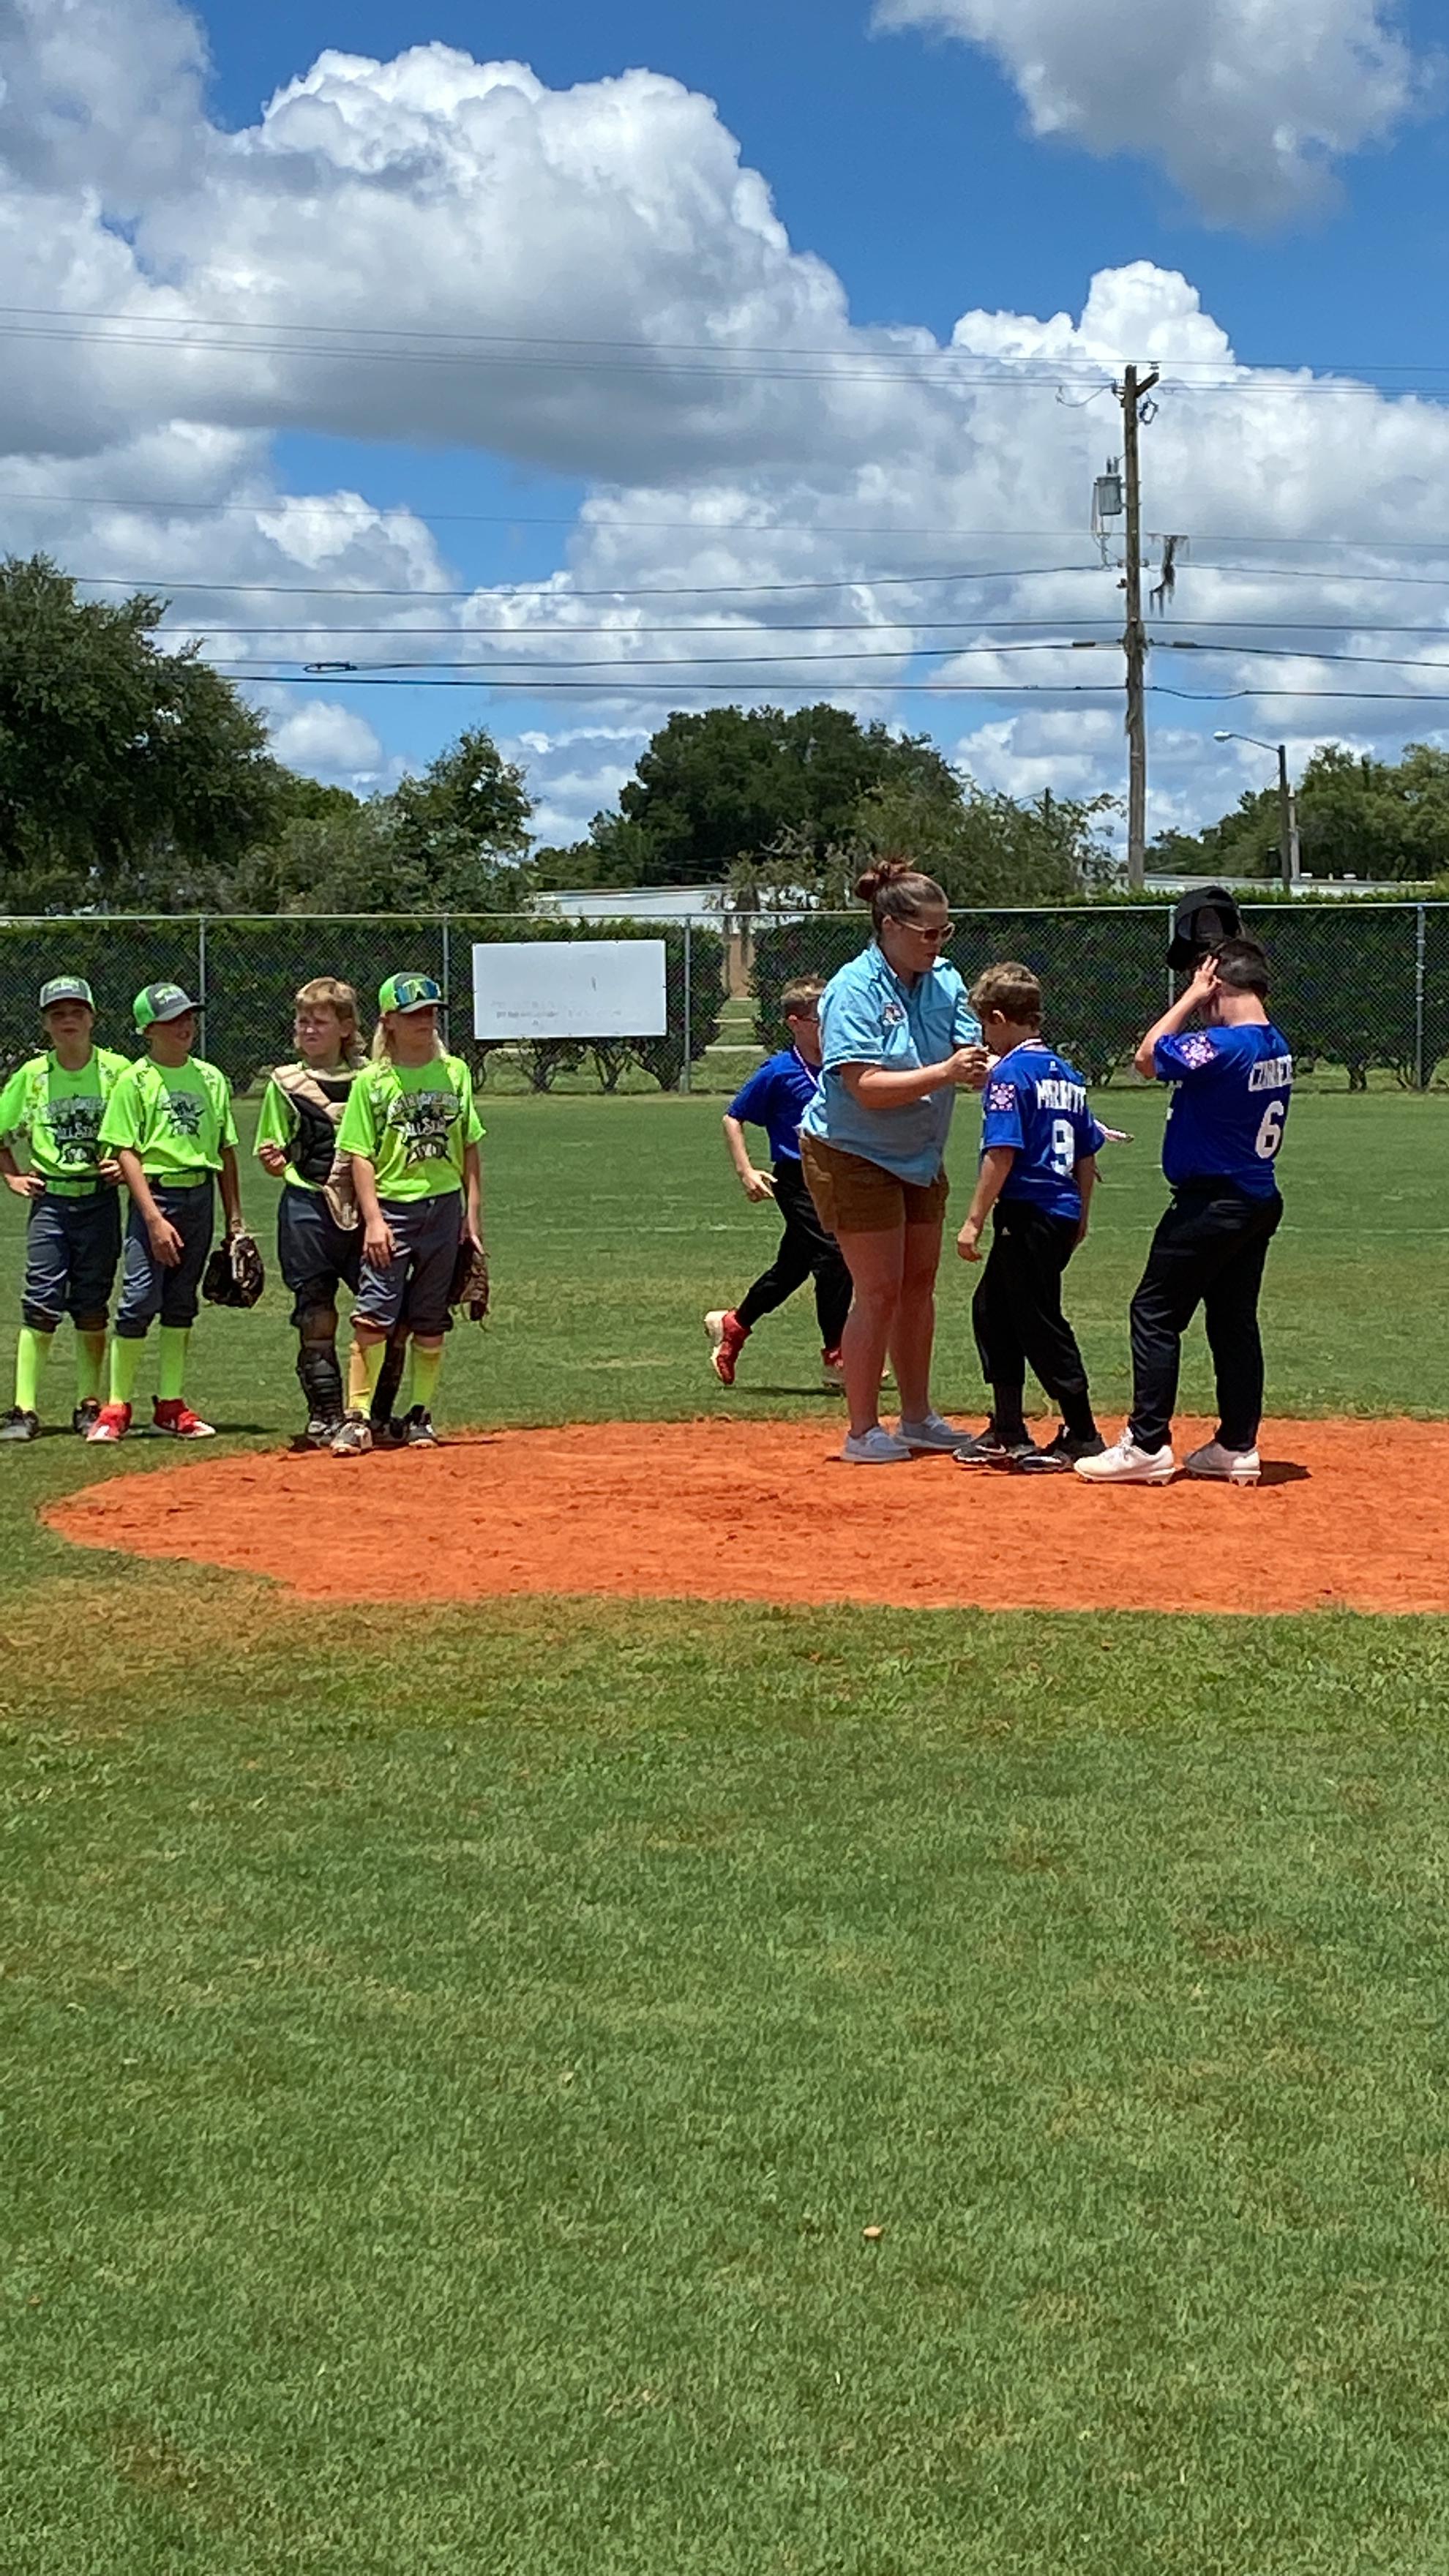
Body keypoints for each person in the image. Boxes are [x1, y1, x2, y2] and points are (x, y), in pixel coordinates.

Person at [1077, 937, 1292, 1487]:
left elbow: (1147, 1058)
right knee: (1232, 1321)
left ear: (1218, 985)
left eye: (1205, 987)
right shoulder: (1277, 1045)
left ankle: (1147, 1443)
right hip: (1256, 1198)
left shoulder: (1224, 1046)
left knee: (1154, 1313)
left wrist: (1189, 997)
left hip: (1210, 1204)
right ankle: (1237, 1444)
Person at [798, 860, 988, 1463]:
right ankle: (860, 1430)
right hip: (852, 1151)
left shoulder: (945, 980)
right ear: (889, 926)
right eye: (927, 932)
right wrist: (946, 1073)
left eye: (944, 932)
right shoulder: (852, 989)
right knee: (877, 1289)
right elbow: (864, 1086)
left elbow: (966, 1048)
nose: (937, 943)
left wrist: (993, 1071)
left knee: (918, 1285)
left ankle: (917, 1416)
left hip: (919, 1151)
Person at [954, 962, 1107, 1474]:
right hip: (1059, 1210)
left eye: (985, 1025)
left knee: (1038, 1320)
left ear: (999, 1018)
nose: (983, 1037)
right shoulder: (1066, 1072)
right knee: (993, 1310)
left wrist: (974, 1219)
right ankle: (1007, 1427)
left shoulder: (1010, 1076)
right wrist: (1081, 1214)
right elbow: (1088, 1153)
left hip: (1029, 1212)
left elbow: (1002, 1151)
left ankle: (1082, 1432)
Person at [331, 972, 484, 1456]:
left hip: (443, 1208)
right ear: (389, 1021)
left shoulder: (455, 1072)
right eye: (414, 1013)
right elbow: (359, 1154)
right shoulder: (372, 1083)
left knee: (431, 1315)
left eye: (431, 1012)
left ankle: (420, 1413)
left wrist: (471, 1219)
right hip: (393, 1208)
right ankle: (356, 1417)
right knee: (373, 1314)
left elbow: (470, 1147)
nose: (425, 1020)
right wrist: (374, 1220)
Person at [88, 981, 246, 1442]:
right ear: (147, 1029)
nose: (185, 1025)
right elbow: (126, 1153)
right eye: (173, 1019)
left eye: (188, 1017)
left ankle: (171, 1404)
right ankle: (115, 1407)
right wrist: (153, 1217)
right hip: (155, 1197)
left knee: (181, 1303)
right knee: (139, 1299)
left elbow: (225, 1149)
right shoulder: (134, 1081)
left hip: (200, 1198)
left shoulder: (212, 1078)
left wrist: (235, 1220)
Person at [705, 978, 852, 1393]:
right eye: (823, 1018)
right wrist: (746, 1171)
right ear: (797, 1023)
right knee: (834, 1255)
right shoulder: (779, 1071)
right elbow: (733, 1117)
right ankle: (837, 1355)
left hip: (839, 1176)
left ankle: (734, 1325)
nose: (834, 1025)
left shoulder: (844, 1065)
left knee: (792, 1269)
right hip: (797, 1178)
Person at [0, 976, 130, 1441]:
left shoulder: (117, 1072)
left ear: (93, 1018)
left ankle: (88, 1404)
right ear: (46, 1025)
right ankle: (24, 1409)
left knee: (92, 1303)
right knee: (40, 1301)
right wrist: (12, 1174)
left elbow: (143, 1128)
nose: (68, 1020)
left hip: (99, 1200)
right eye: (58, 1014)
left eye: (77, 1012)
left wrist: (125, 1163)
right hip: (52, 1201)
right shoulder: (32, 1077)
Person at [255, 977, 369, 1447]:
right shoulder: (284, 1084)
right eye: (302, 1021)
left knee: (380, 1311)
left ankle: (369, 1413)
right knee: (316, 1311)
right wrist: (274, 1161)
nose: (307, 1029)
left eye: (319, 1021)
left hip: (367, 1206)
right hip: (308, 1204)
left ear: (345, 1027)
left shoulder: (372, 1079)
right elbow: (273, 1146)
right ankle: (324, 1412)